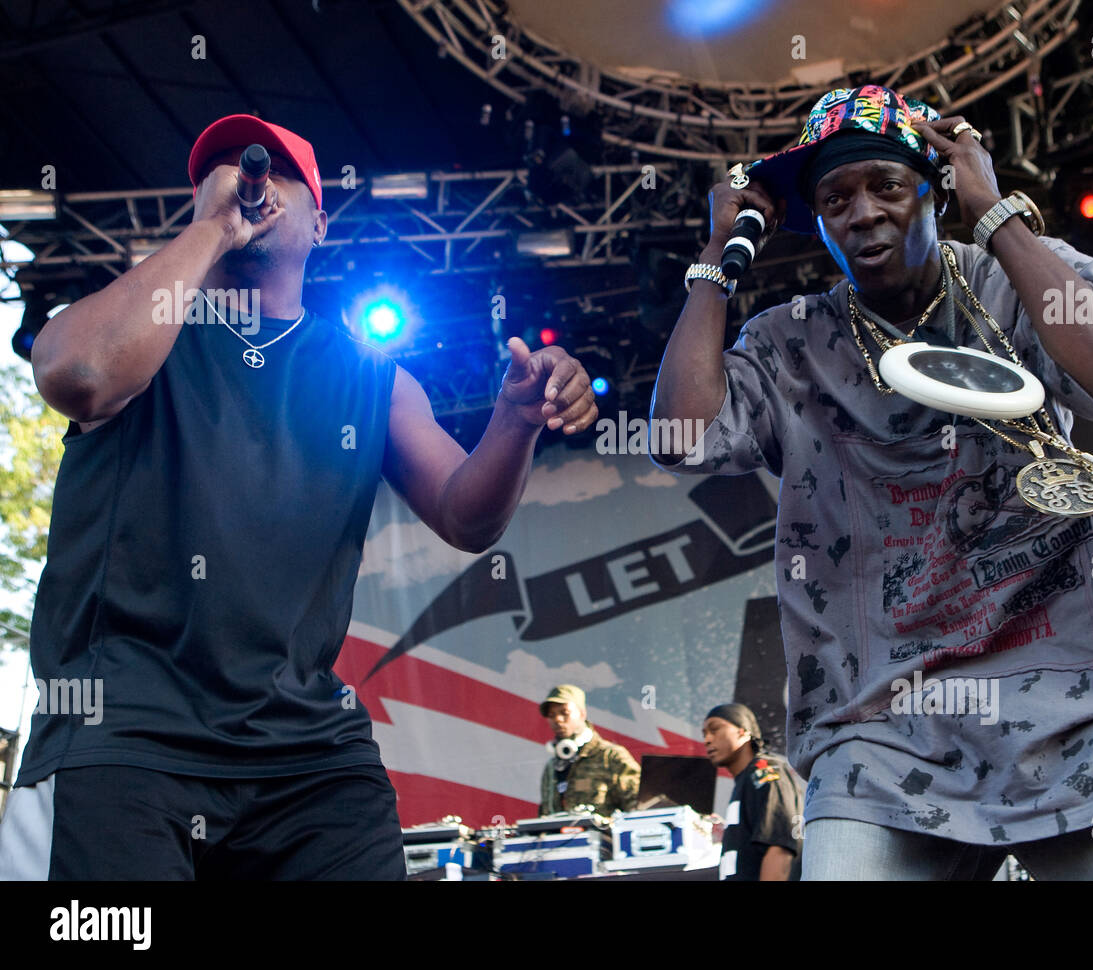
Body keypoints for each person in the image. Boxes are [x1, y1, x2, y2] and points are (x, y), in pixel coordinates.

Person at [650, 84, 1093, 879]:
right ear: (817, 220)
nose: (862, 212)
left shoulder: (1012, 281)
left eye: (887, 185)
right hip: (881, 727)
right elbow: (683, 439)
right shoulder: (793, 343)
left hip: (1083, 698)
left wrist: (994, 212)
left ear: (937, 187)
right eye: (835, 197)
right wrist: (715, 259)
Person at [0, 115, 598, 880]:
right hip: (122, 738)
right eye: (220, 170)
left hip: (305, 753)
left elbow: (464, 515)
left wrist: (514, 425)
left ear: (319, 220)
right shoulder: (144, 333)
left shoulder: (368, 375)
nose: (247, 179)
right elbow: (74, 372)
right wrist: (214, 227)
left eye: (275, 171)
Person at [703, 703, 801, 881]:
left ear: (743, 731)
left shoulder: (764, 770)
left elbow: (779, 846)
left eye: (715, 729)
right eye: (704, 734)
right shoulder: (746, 779)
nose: (707, 739)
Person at [538, 685, 640, 817]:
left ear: (582, 714)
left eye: (565, 713)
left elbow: (638, 808)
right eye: (552, 715)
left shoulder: (611, 756)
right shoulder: (551, 767)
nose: (558, 720)